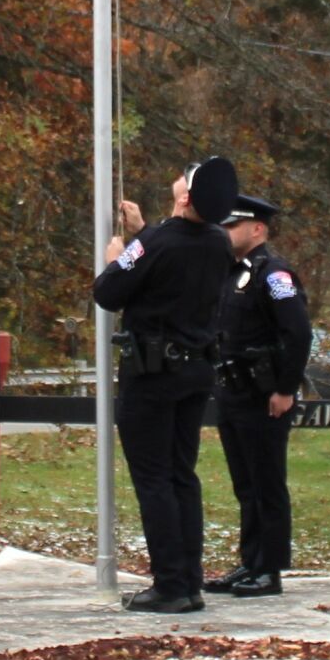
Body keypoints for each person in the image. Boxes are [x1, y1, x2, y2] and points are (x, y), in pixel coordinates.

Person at [92, 155, 237, 613]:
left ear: (185, 199)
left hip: (152, 375)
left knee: (153, 478)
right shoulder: (217, 241)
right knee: (181, 475)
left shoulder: (155, 242)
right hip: (195, 372)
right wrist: (142, 234)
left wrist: (117, 259)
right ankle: (189, 579)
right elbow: (170, 254)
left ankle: (170, 584)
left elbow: (108, 291)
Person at [206, 192, 312, 599]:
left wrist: (286, 388)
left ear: (257, 228)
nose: (226, 232)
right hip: (233, 395)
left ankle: (269, 568)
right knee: (245, 485)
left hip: (265, 397)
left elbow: (298, 333)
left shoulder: (274, 275)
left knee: (267, 483)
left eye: (233, 225)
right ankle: (250, 561)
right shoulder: (232, 274)